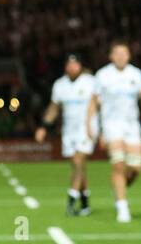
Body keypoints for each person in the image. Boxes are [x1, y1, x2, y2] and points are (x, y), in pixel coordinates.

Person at [88, 40, 141, 223]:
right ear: (111, 56)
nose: (120, 56)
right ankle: (122, 207)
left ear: (129, 55)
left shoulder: (136, 74)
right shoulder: (102, 75)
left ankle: (119, 188)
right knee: (118, 165)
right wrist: (91, 126)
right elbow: (93, 102)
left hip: (132, 126)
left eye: (123, 53)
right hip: (112, 126)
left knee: (135, 168)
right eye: (117, 53)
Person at [34, 53, 95, 216]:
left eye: (75, 64)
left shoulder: (91, 83)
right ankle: (85, 205)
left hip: (87, 130)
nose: (72, 67)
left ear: (80, 66)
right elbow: (54, 108)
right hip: (69, 132)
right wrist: (43, 127)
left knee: (77, 162)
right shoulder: (60, 85)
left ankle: (70, 203)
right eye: (69, 64)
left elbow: (100, 103)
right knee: (78, 167)